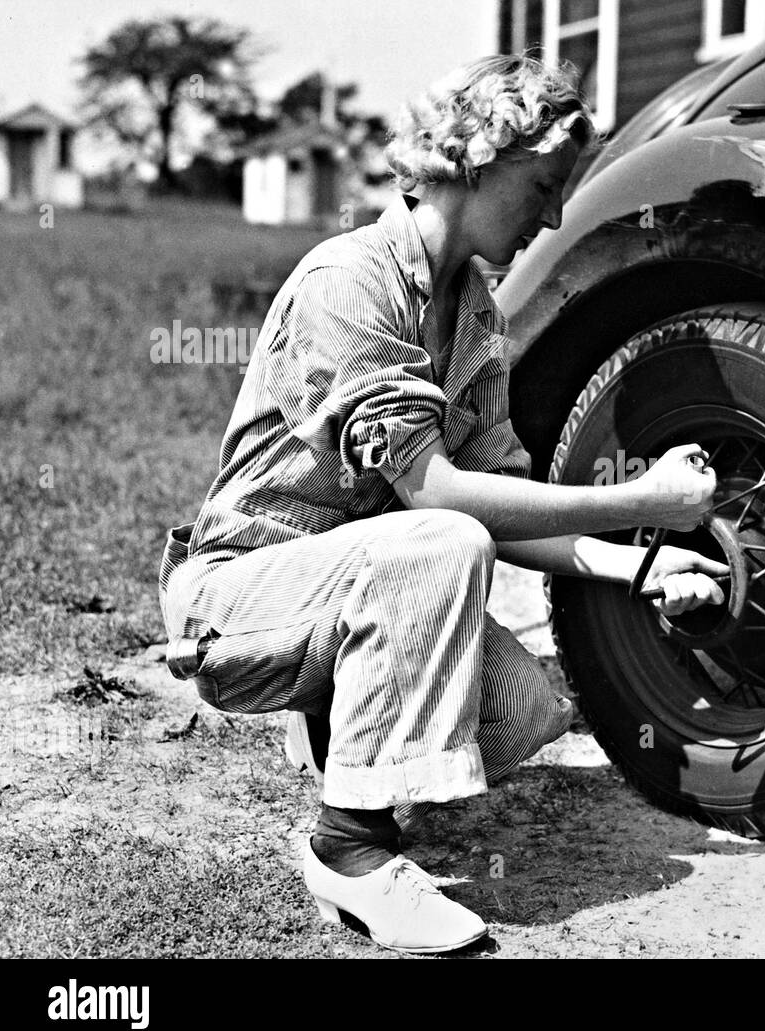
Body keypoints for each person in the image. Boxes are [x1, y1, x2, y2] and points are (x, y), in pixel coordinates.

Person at [157, 56, 728, 954]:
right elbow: (439, 495)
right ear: (473, 163)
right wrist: (640, 497)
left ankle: (350, 727)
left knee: (522, 707)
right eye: (542, 186)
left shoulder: (477, 316)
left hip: (357, 585)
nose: (550, 216)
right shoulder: (349, 281)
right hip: (236, 599)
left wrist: (640, 562)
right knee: (444, 536)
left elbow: (508, 502)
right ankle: (349, 850)